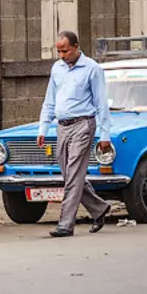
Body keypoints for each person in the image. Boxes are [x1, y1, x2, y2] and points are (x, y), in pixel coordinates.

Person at [37, 31, 111, 238]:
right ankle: (99, 208)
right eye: (59, 51)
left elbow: (101, 103)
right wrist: (43, 128)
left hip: (83, 124)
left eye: (65, 50)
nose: (62, 55)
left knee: (74, 174)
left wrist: (105, 135)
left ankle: (66, 224)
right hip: (62, 126)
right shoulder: (57, 69)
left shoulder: (92, 69)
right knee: (71, 175)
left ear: (76, 47)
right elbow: (49, 100)